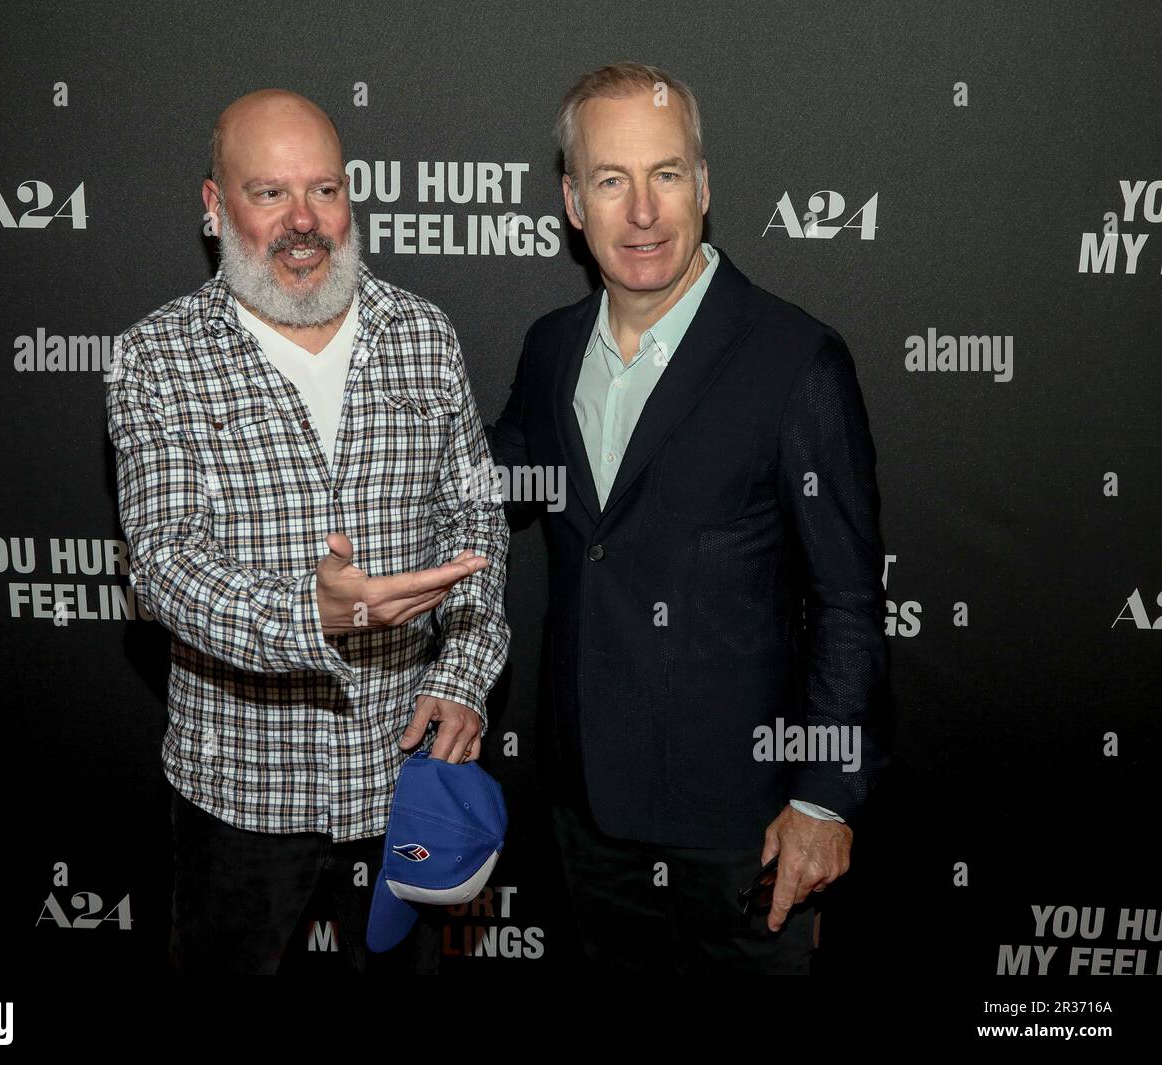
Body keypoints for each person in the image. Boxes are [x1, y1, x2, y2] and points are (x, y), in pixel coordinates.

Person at [487, 63, 890, 974]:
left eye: (665, 174)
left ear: (703, 187)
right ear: (571, 200)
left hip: (743, 835)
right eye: (610, 179)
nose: (641, 212)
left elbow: (848, 601)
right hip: (585, 815)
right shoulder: (551, 347)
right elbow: (496, 480)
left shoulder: (796, 359)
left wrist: (826, 800)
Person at [105, 89, 509, 975]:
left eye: (324, 191)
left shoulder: (425, 338)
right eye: (269, 193)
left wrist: (464, 675)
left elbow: (476, 518)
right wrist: (310, 612)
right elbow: (164, 561)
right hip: (241, 792)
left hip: (399, 780)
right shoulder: (156, 357)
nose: (304, 222)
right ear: (215, 209)